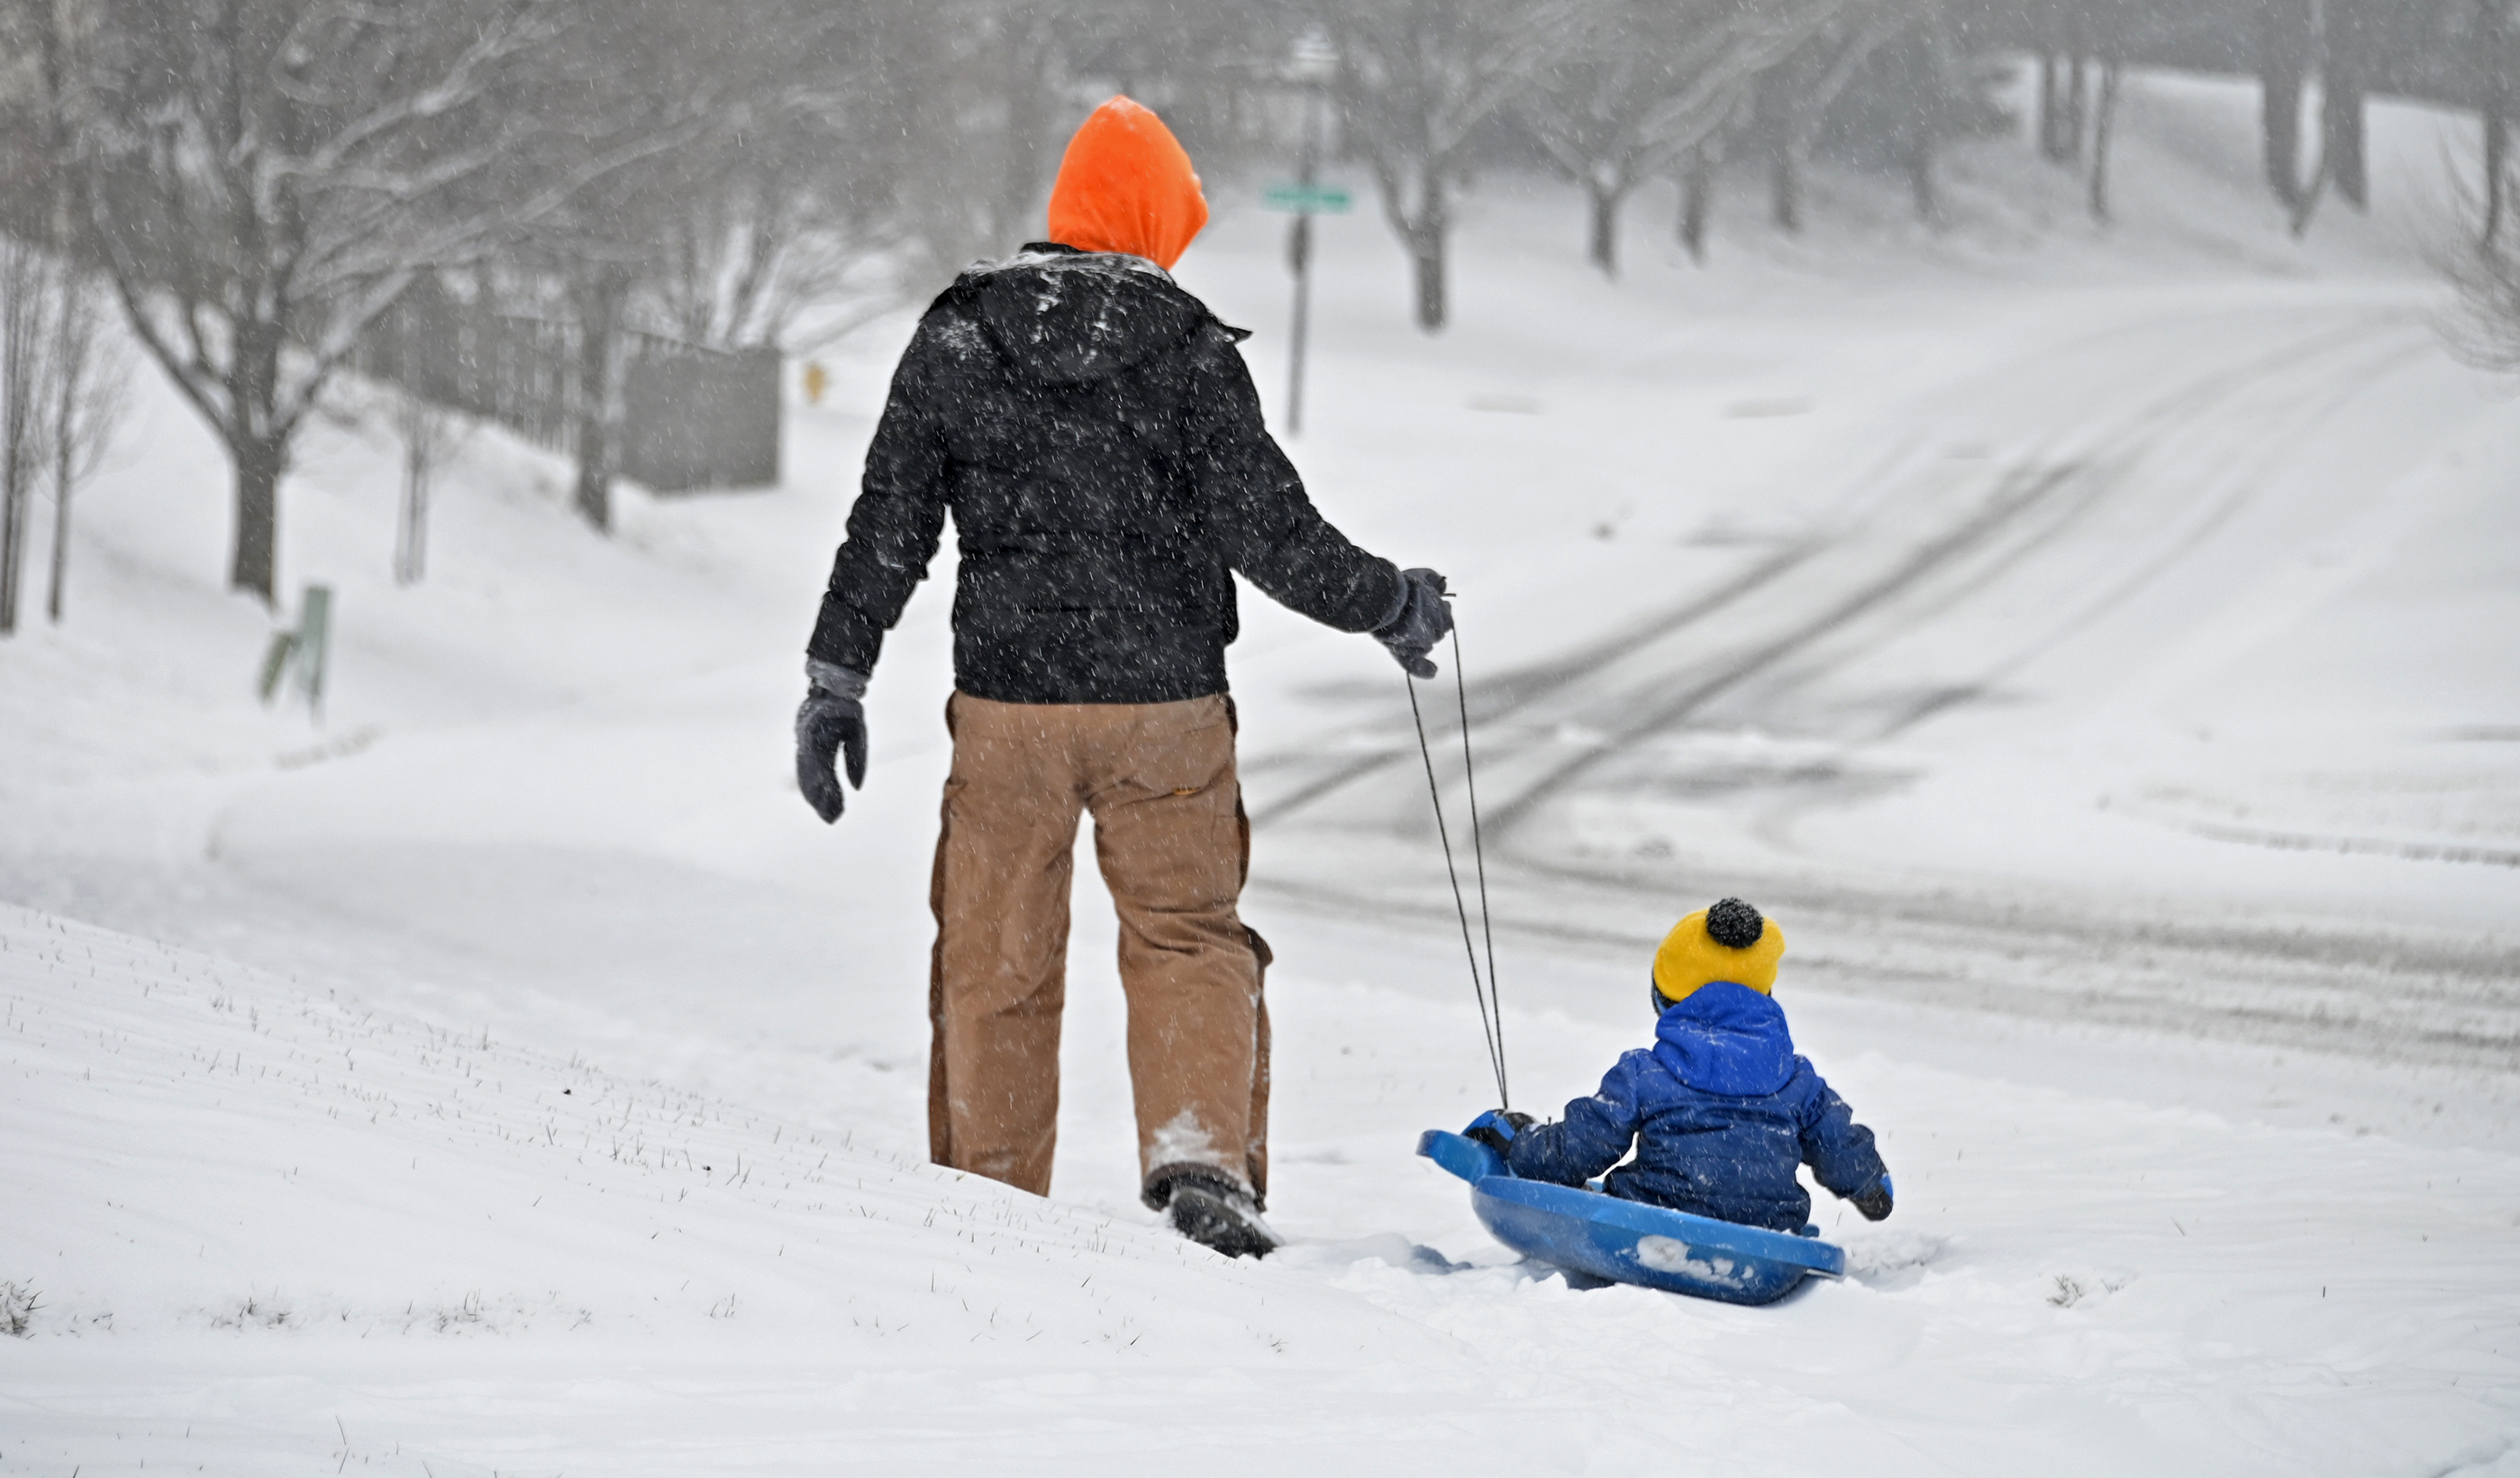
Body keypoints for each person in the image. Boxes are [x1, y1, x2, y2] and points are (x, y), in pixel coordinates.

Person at [795, 96, 1451, 1258]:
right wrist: (1387, 601)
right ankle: (1200, 1160)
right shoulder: (1188, 351)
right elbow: (1274, 534)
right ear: (1153, 216)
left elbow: (888, 523)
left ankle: (988, 1193)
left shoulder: (960, 335)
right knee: (1187, 933)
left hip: (1009, 710)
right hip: (1166, 709)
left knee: (995, 952)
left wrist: (836, 677)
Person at [1460, 898, 1893, 1234]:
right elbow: (1839, 1144)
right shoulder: (1798, 1082)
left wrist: (1520, 1144)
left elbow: (1584, 1145)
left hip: (1653, 1218)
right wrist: (1870, 1184)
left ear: (1665, 999)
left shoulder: (1646, 1074)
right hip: (1766, 1229)